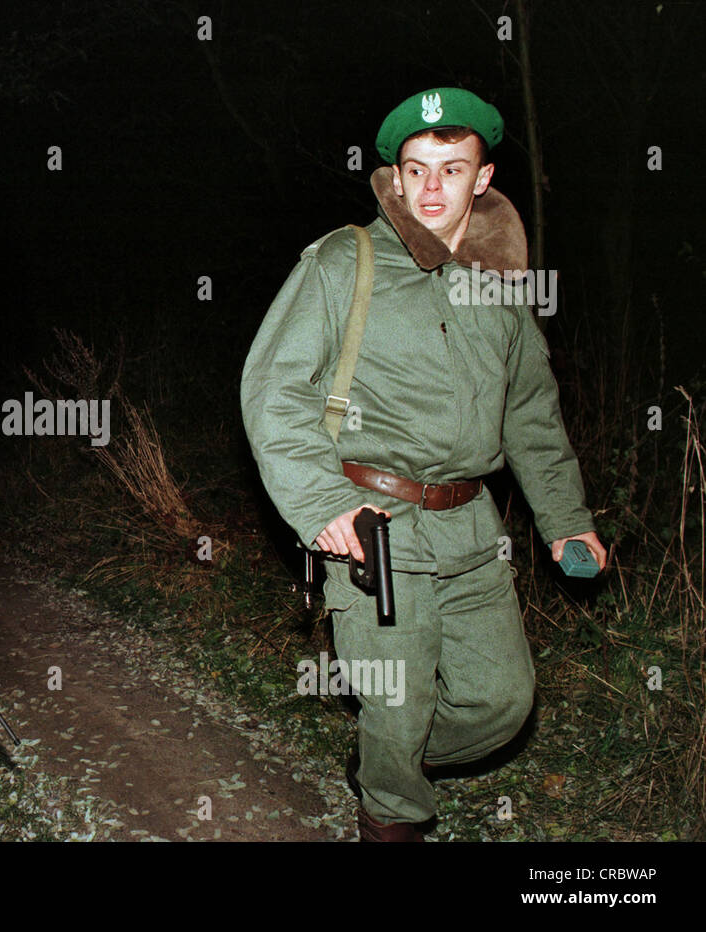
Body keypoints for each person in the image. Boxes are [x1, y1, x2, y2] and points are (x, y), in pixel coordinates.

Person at [240, 88, 606, 841]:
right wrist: (319, 505)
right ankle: (392, 802)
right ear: (395, 178)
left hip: (472, 528)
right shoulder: (347, 260)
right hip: (373, 525)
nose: (432, 188)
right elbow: (274, 388)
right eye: (416, 169)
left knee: (502, 703)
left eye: (452, 168)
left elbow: (532, 414)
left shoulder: (502, 286)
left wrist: (567, 523)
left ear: (484, 178)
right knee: (399, 700)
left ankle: (386, 758)